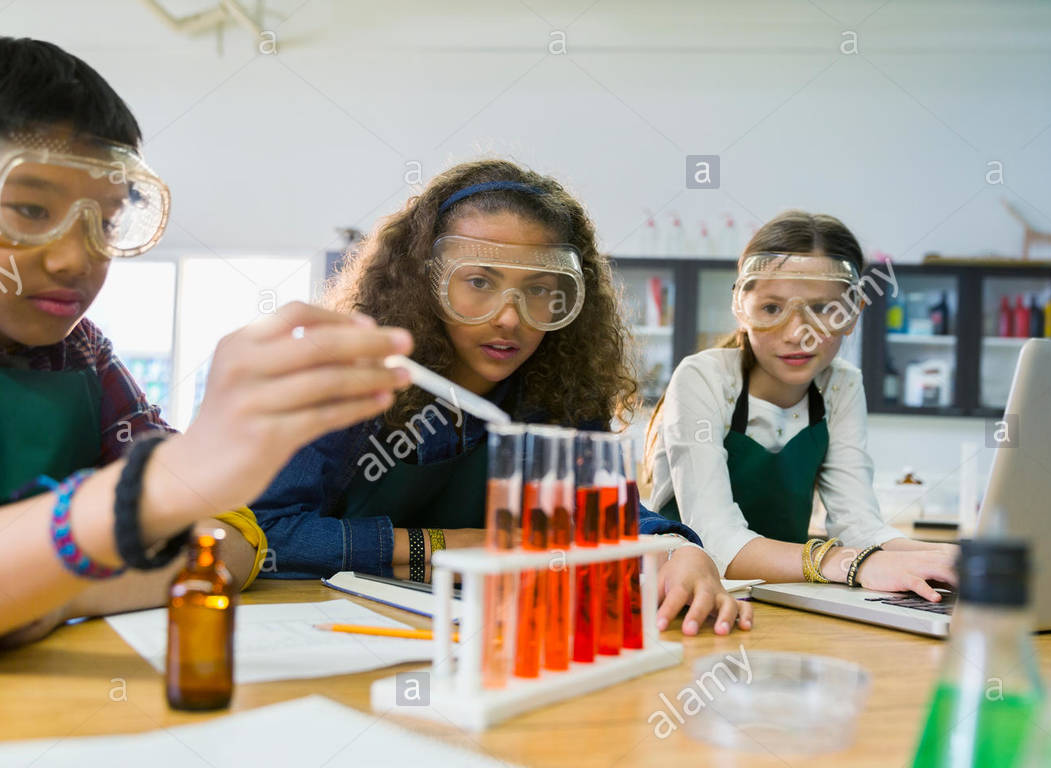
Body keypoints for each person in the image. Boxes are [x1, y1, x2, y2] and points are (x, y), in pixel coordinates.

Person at [0, 37, 411, 668]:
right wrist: (162, 488)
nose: (77, 258)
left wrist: (47, 592)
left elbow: (234, 542)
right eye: (29, 208)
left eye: (105, 223)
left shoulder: (81, 353)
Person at [253, 160, 749, 635]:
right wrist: (450, 546)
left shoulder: (563, 394)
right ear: (425, 281)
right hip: (336, 637)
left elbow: (602, 518)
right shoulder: (347, 378)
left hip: (486, 642)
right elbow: (265, 533)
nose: (510, 317)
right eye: (478, 282)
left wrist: (677, 551)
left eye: (537, 289)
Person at [642, 211, 958, 600]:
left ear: (852, 314)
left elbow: (859, 526)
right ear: (742, 309)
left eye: (824, 309)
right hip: (693, 599)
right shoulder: (703, 377)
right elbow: (716, 542)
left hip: (785, 597)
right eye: (772, 309)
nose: (798, 333)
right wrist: (855, 564)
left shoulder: (841, 385)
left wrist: (950, 558)